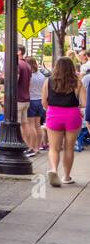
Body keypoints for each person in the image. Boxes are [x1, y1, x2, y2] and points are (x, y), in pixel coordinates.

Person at [43, 56, 85, 187]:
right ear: (72, 68)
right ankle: (66, 177)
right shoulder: (77, 82)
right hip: (72, 115)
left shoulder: (48, 81)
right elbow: (84, 103)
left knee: (54, 147)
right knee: (69, 148)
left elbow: (44, 101)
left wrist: (51, 110)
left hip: (54, 114)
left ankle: (54, 169)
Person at [14, 53, 35, 152]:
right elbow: (29, 83)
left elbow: (15, 80)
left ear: (19, 52)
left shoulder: (18, 64)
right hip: (26, 98)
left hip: (18, 99)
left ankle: (21, 146)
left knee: (18, 125)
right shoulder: (27, 65)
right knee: (25, 124)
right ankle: (29, 146)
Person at [28, 57, 48, 153]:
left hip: (31, 100)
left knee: (31, 125)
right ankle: (38, 146)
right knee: (38, 125)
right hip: (40, 101)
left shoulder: (30, 76)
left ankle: (32, 146)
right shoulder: (41, 75)